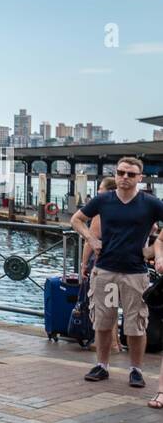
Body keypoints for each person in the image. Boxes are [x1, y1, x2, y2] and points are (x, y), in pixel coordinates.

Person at [71, 156, 163, 390]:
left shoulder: (151, 203)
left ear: (140, 178)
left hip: (135, 274)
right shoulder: (103, 200)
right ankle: (102, 365)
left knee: (136, 324)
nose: (124, 177)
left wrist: (154, 250)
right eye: (121, 173)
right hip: (105, 272)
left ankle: (136, 370)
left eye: (131, 174)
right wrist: (91, 238)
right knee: (103, 321)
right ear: (115, 174)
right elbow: (77, 219)